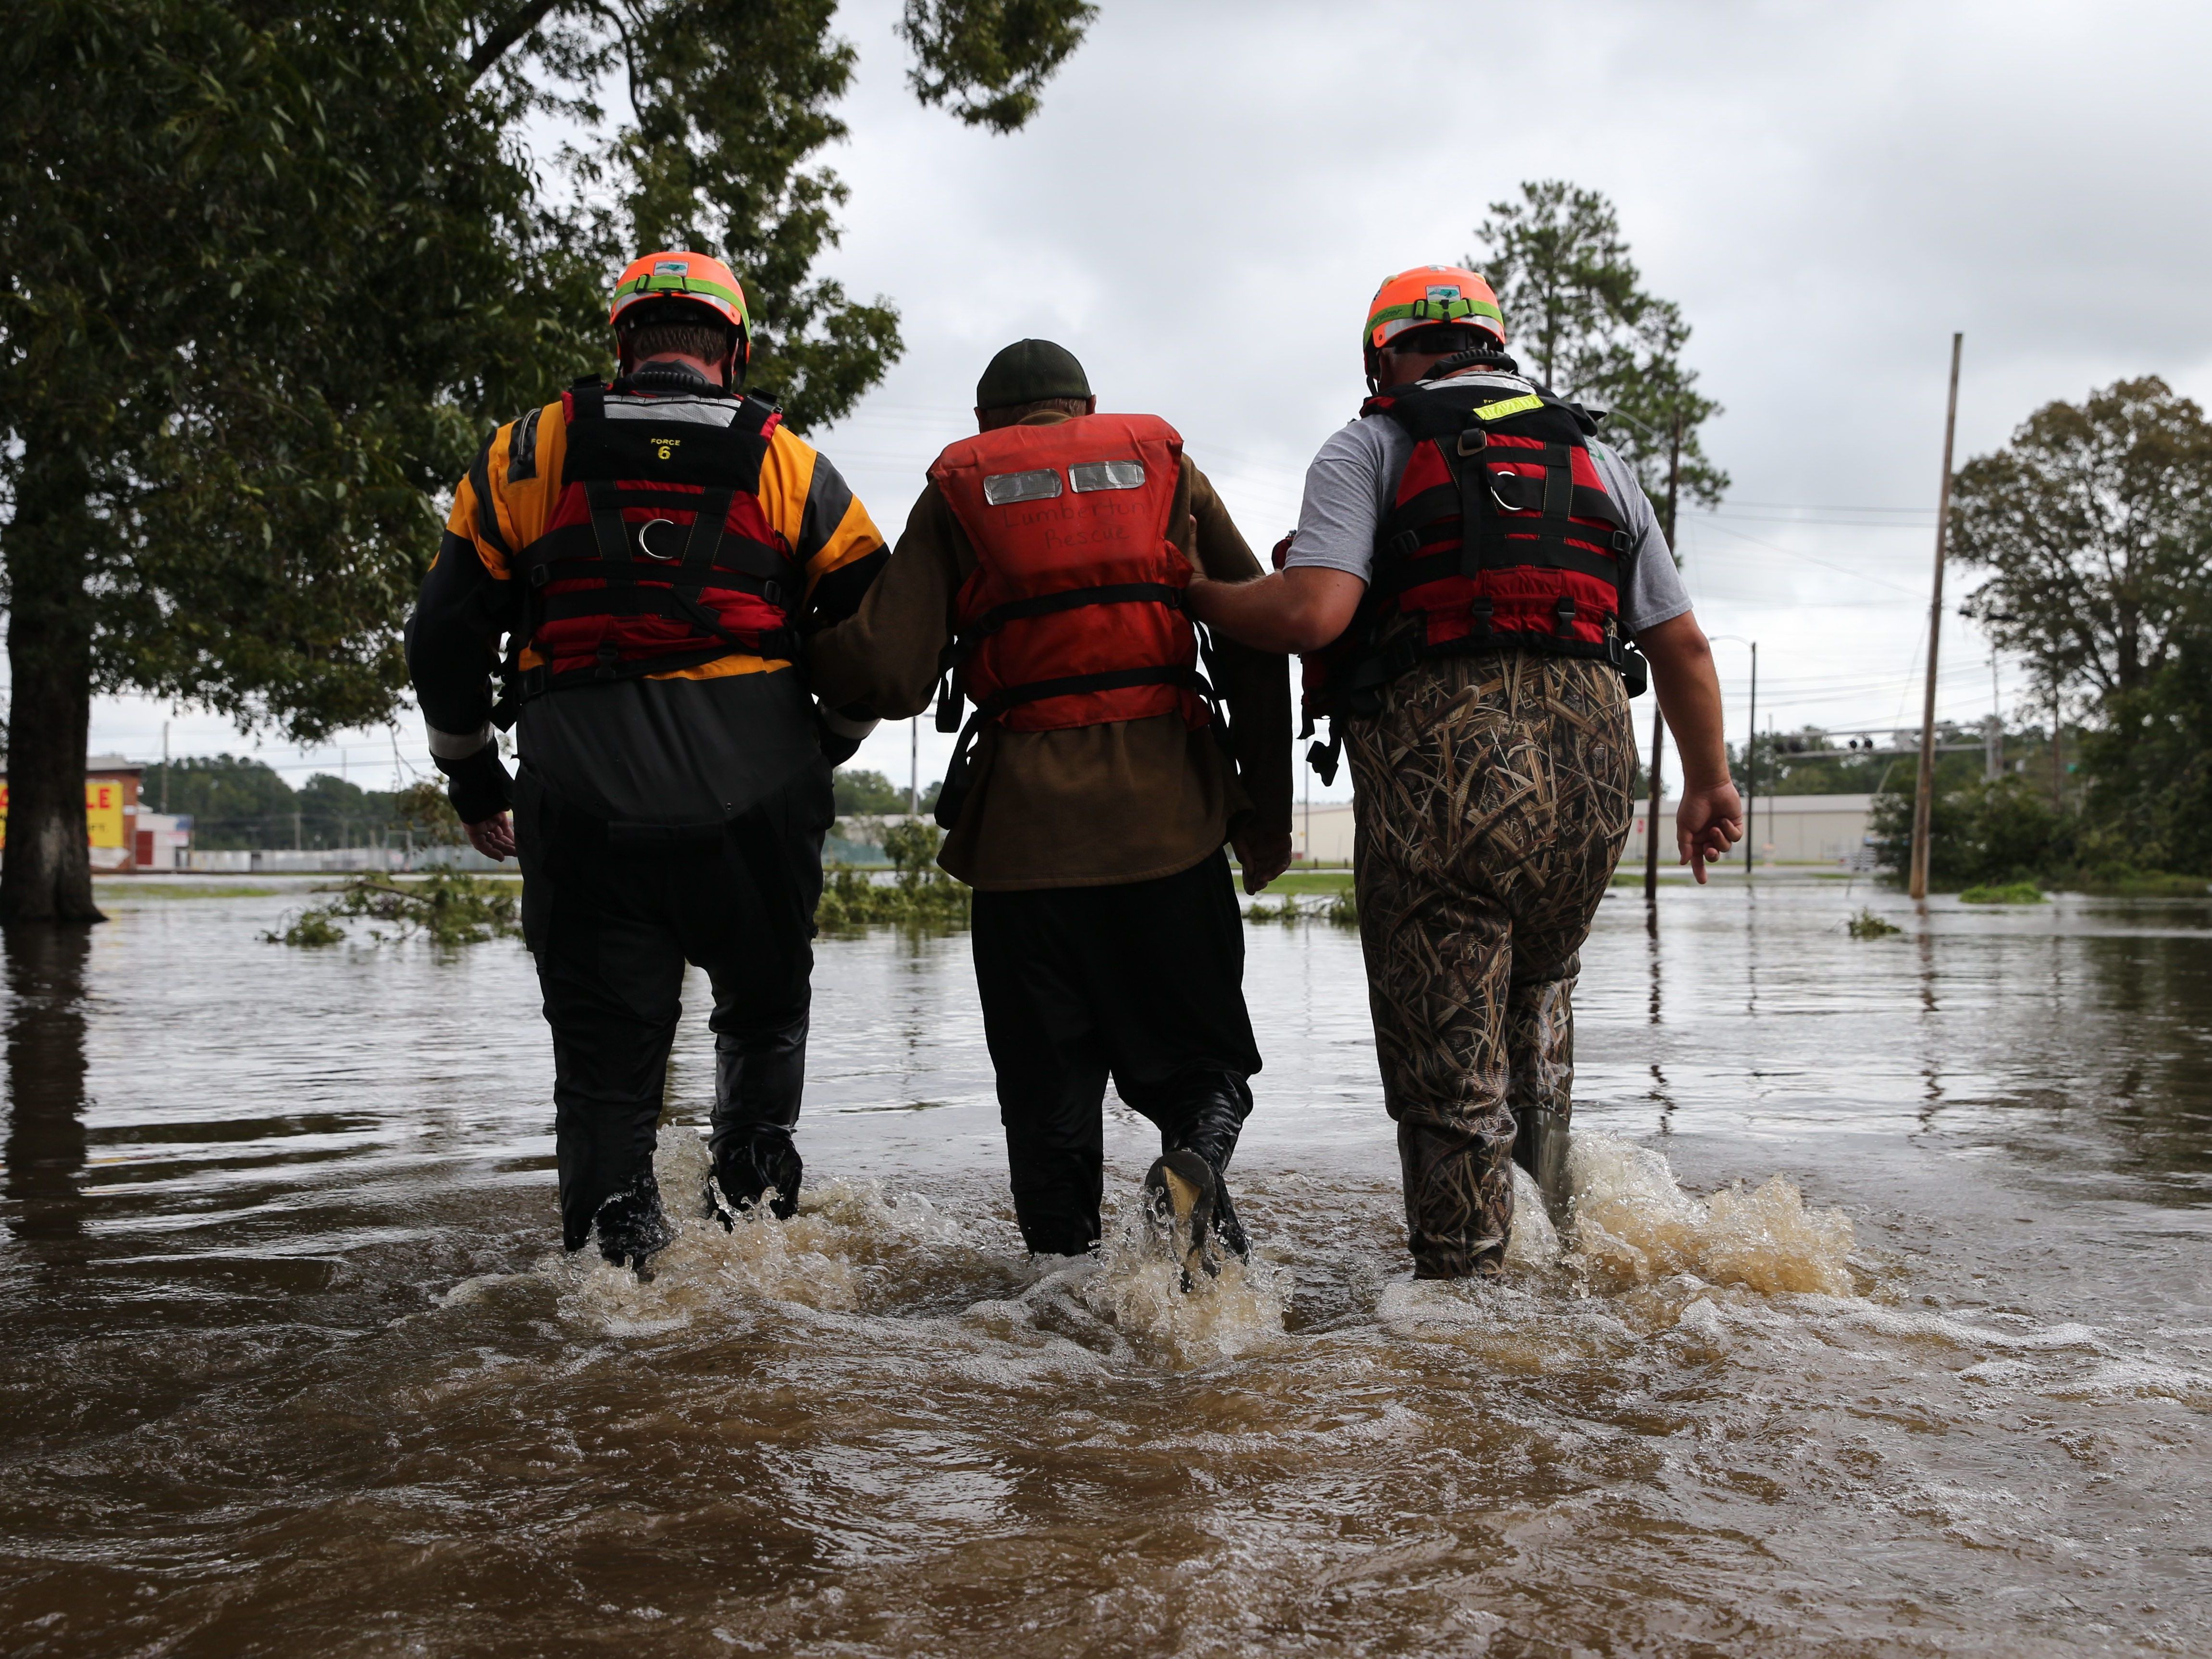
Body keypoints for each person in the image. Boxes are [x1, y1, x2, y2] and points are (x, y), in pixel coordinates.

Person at [1184, 266, 1742, 1279]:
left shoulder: (1370, 444)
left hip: (1447, 776)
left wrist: (1202, 594)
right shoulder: (1595, 457)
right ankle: (1571, 1257)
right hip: (1591, 777)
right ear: (1494, 346)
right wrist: (1708, 786)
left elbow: (1313, 612)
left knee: (1451, 1066)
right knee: (1537, 1001)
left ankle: (1468, 1309)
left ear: (1382, 355)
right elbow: (1683, 648)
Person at [406, 250, 889, 1275]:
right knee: (761, 1019)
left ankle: (616, 1274)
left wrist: (474, 776)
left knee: (603, 1078)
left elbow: (443, 632)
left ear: (623, 345)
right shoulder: (792, 465)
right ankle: (755, 1248)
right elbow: (877, 639)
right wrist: (828, 748)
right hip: (757, 809)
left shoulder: (522, 454)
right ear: (735, 351)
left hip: (583, 813)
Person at [808, 340, 1292, 1275]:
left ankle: (1057, 1301)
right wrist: (1260, 812)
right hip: (1171, 829)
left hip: (1023, 847)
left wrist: (807, 646)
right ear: (1085, 406)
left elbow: (892, 672)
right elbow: (1253, 636)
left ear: (990, 424)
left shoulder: (960, 485)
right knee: (1204, 1074)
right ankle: (1193, 1159)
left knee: (1047, 1102)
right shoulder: (1163, 468)